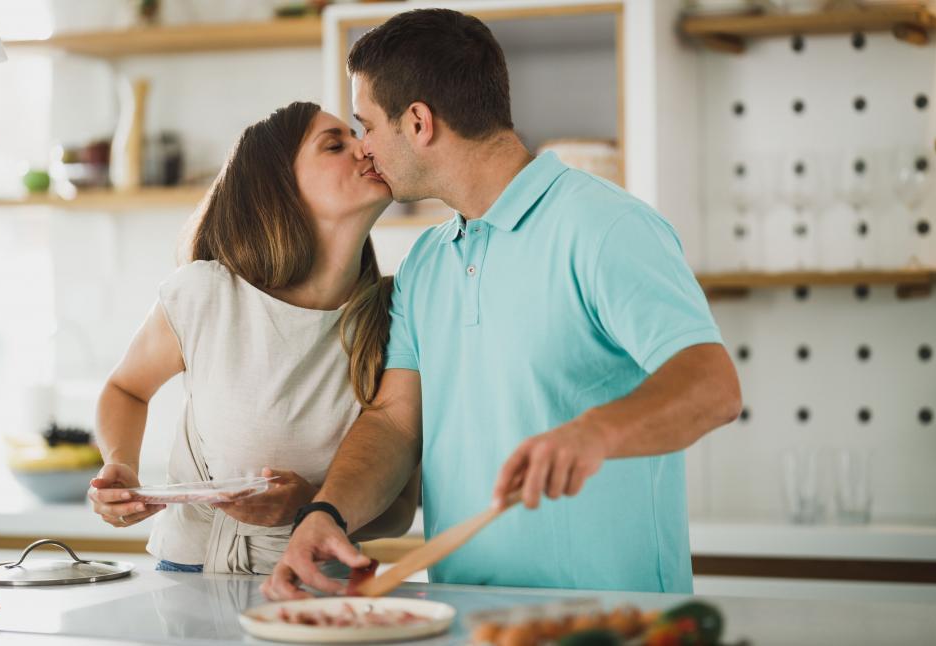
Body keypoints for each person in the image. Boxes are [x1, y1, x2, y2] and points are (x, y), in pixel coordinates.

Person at [263, 9, 741, 597]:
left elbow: (713, 387)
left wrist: (594, 433)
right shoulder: (425, 263)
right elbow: (393, 423)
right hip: (470, 616)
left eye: (366, 125)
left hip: (616, 620)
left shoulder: (606, 226)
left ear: (418, 123)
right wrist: (326, 513)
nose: (363, 150)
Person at [88, 102, 420, 574]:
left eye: (357, 135)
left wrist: (315, 506)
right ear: (279, 188)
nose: (364, 147)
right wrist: (120, 464)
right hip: (192, 575)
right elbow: (125, 388)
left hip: (322, 585)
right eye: (335, 144)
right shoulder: (205, 293)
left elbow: (401, 511)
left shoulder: (397, 314)